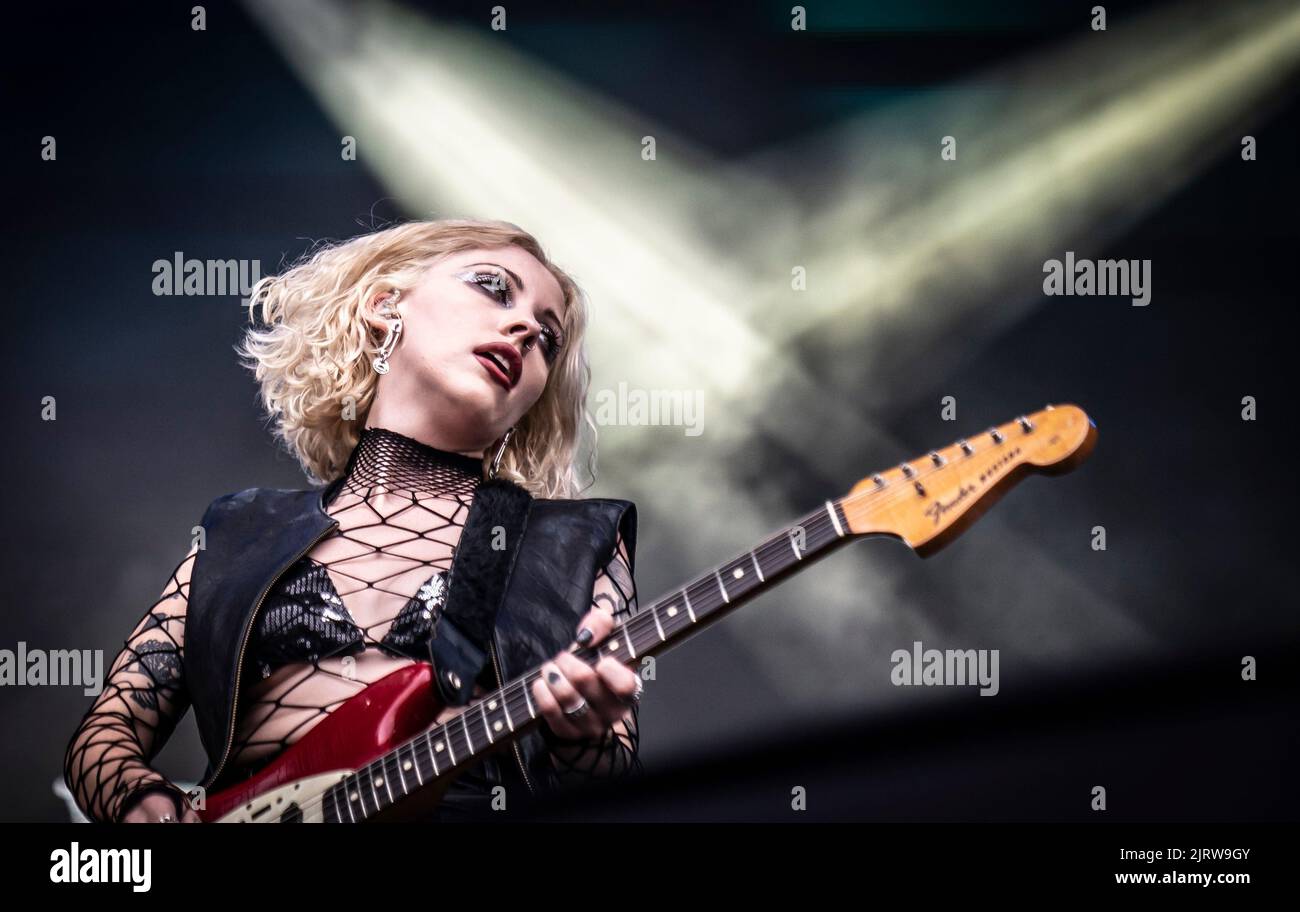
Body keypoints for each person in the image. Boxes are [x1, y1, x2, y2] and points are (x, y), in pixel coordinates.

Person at [63, 218, 644, 823]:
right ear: (385, 306)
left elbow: (612, 777)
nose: (526, 328)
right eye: (494, 288)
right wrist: (141, 802)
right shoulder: (241, 528)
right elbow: (106, 732)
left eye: (548, 339)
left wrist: (583, 731)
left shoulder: (576, 542)